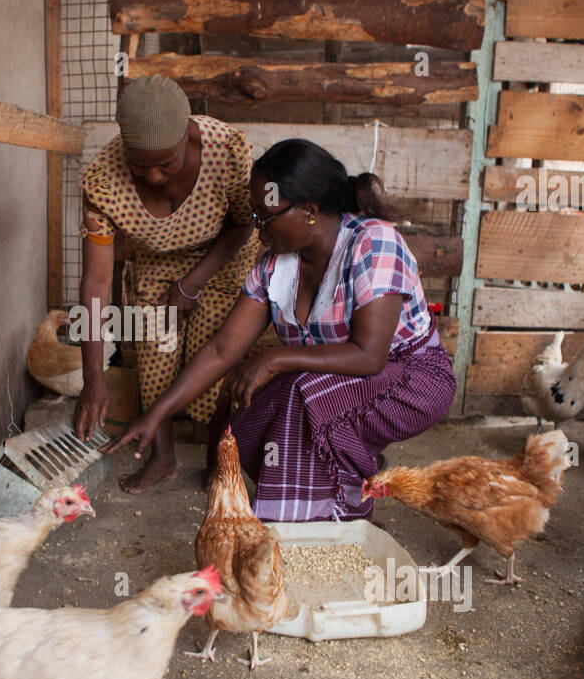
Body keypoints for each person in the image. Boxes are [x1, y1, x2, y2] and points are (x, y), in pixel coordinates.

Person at [105, 138, 457, 522]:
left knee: (299, 394)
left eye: (265, 216)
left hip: (412, 381)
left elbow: (370, 356)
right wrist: (158, 412)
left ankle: (335, 513)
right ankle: (339, 467)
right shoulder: (275, 268)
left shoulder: (373, 244)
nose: (257, 230)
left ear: (308, 211)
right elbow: (222, 350)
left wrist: (274, 357)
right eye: (254, 215)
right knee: (249, 398)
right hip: (336, 387)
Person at [73, 75, 258, 493]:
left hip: (224, 261)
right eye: (141, 165)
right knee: (155, 361)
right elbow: (97, 280)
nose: (154, 177)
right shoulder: (101, 181)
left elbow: (244, 224)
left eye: (166, 164)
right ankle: (162, 459)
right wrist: (93, 375)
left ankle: (217, 462)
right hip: (158, 264)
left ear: (188, 134)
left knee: (213, 366)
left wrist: (192, 284)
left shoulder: (228, 150)